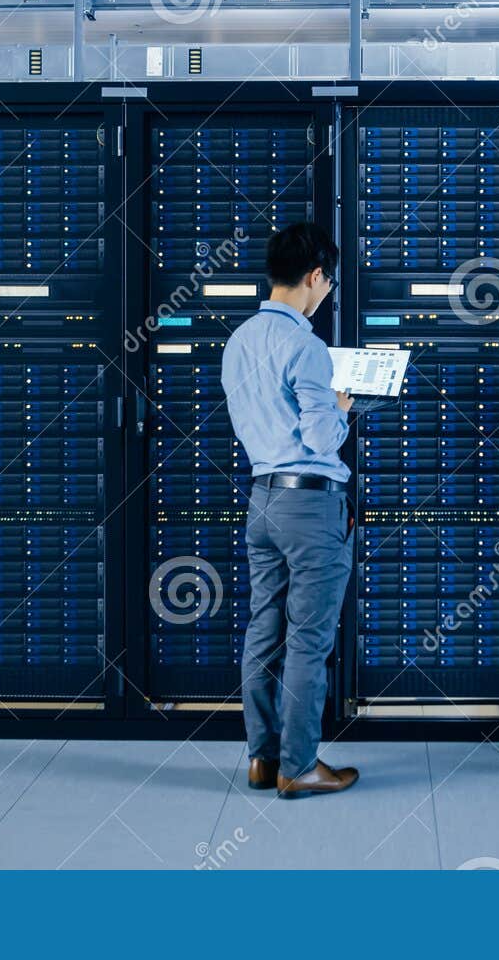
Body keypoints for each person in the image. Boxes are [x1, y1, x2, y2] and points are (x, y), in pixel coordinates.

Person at [221, 222, 359, 798]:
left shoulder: (239, 340)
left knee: (264, 631)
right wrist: (341, 403)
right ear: (314, 276)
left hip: (262, 500)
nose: (325, 293)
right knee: (307, 639)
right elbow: (323, 439)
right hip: (310, 506)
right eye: (326, 283)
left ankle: (263, 758)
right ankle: (299, 768)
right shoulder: (306, 347)